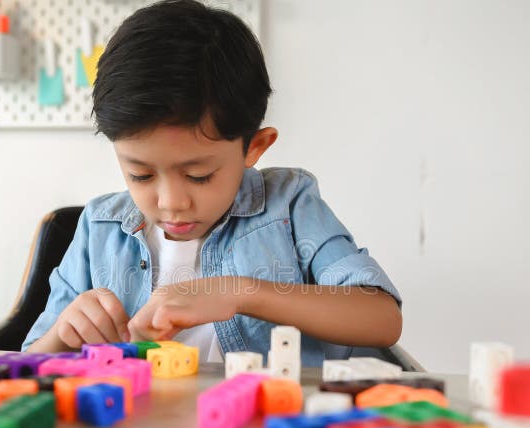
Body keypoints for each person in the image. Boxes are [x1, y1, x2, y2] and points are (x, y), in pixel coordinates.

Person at [23, 0, 402, 365]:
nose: (171, 202)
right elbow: (29, 362)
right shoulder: (98, 228)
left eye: (198, 175)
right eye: (141, 174)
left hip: (266, 424)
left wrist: (239, 292)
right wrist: (64, 332)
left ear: (254, 147)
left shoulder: (290, 207)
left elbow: (382, 318)